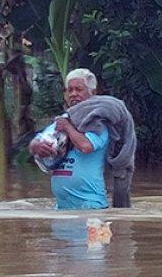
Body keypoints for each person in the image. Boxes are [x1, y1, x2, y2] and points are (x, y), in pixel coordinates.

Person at [28, 69, 113, 210]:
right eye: (70, 90)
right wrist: (36, 146)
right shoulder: (61, 122)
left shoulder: (98, 124)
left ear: (92, 93)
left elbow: (86, 146)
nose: (73, 94)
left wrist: (67, 127)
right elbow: (34, 143)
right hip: (61, 209)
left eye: (79, 89)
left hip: (92, 208)